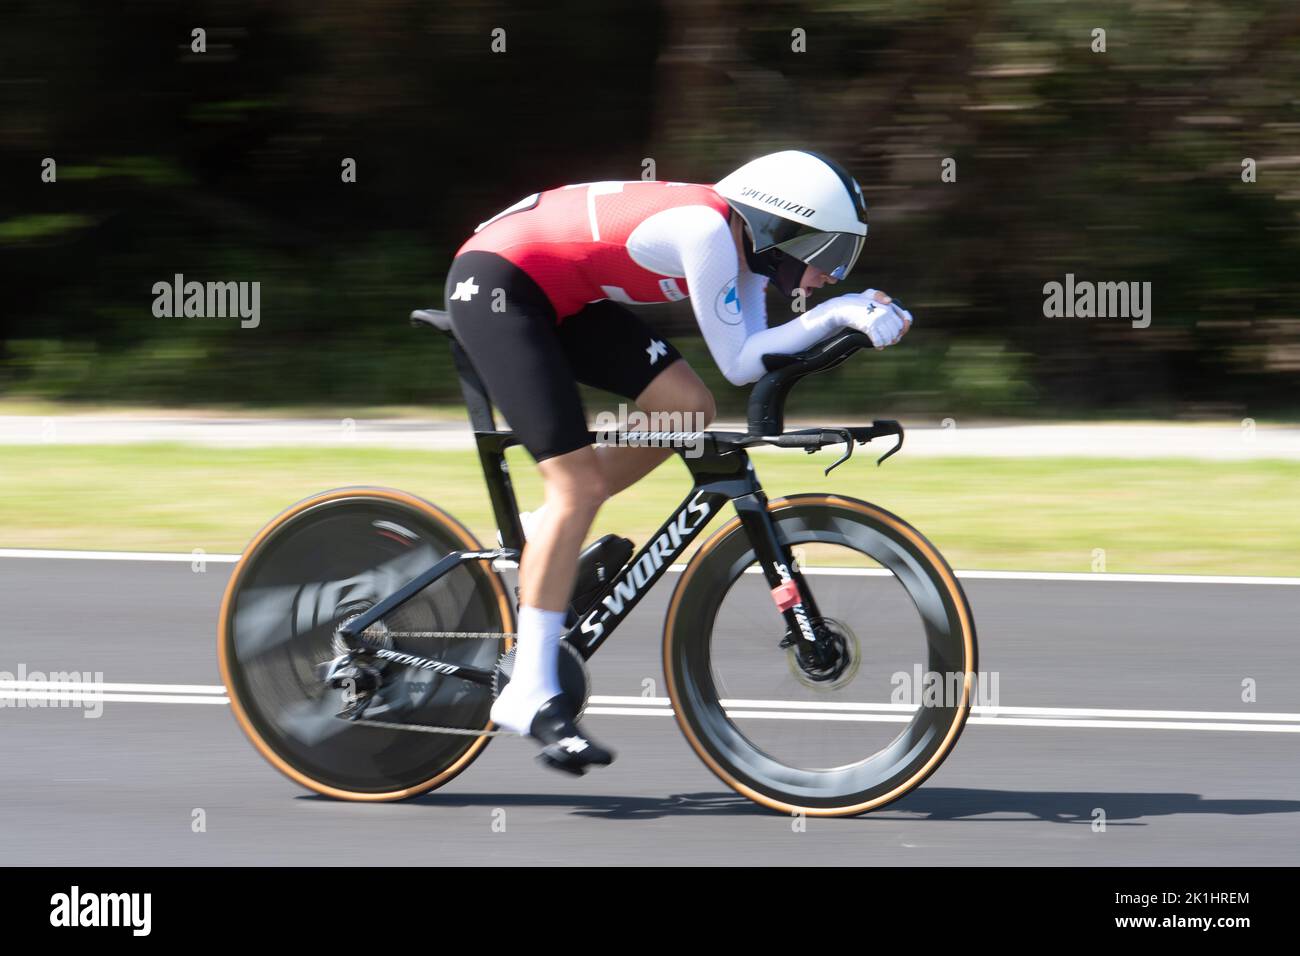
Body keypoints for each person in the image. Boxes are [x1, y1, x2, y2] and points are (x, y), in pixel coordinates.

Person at [443, 150, 912, 774]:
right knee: (577, 484)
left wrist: (842, 317)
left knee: (684, 405)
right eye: (826, 253)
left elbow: (745, 363)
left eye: (841, 261)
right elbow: (743, 358)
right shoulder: (707, 230)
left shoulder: (744, 250)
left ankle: (546, 534)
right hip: (498, 285)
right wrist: (838, 312)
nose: (829, 273)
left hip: (559, 294)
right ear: (779, 227)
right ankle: (527, 691)